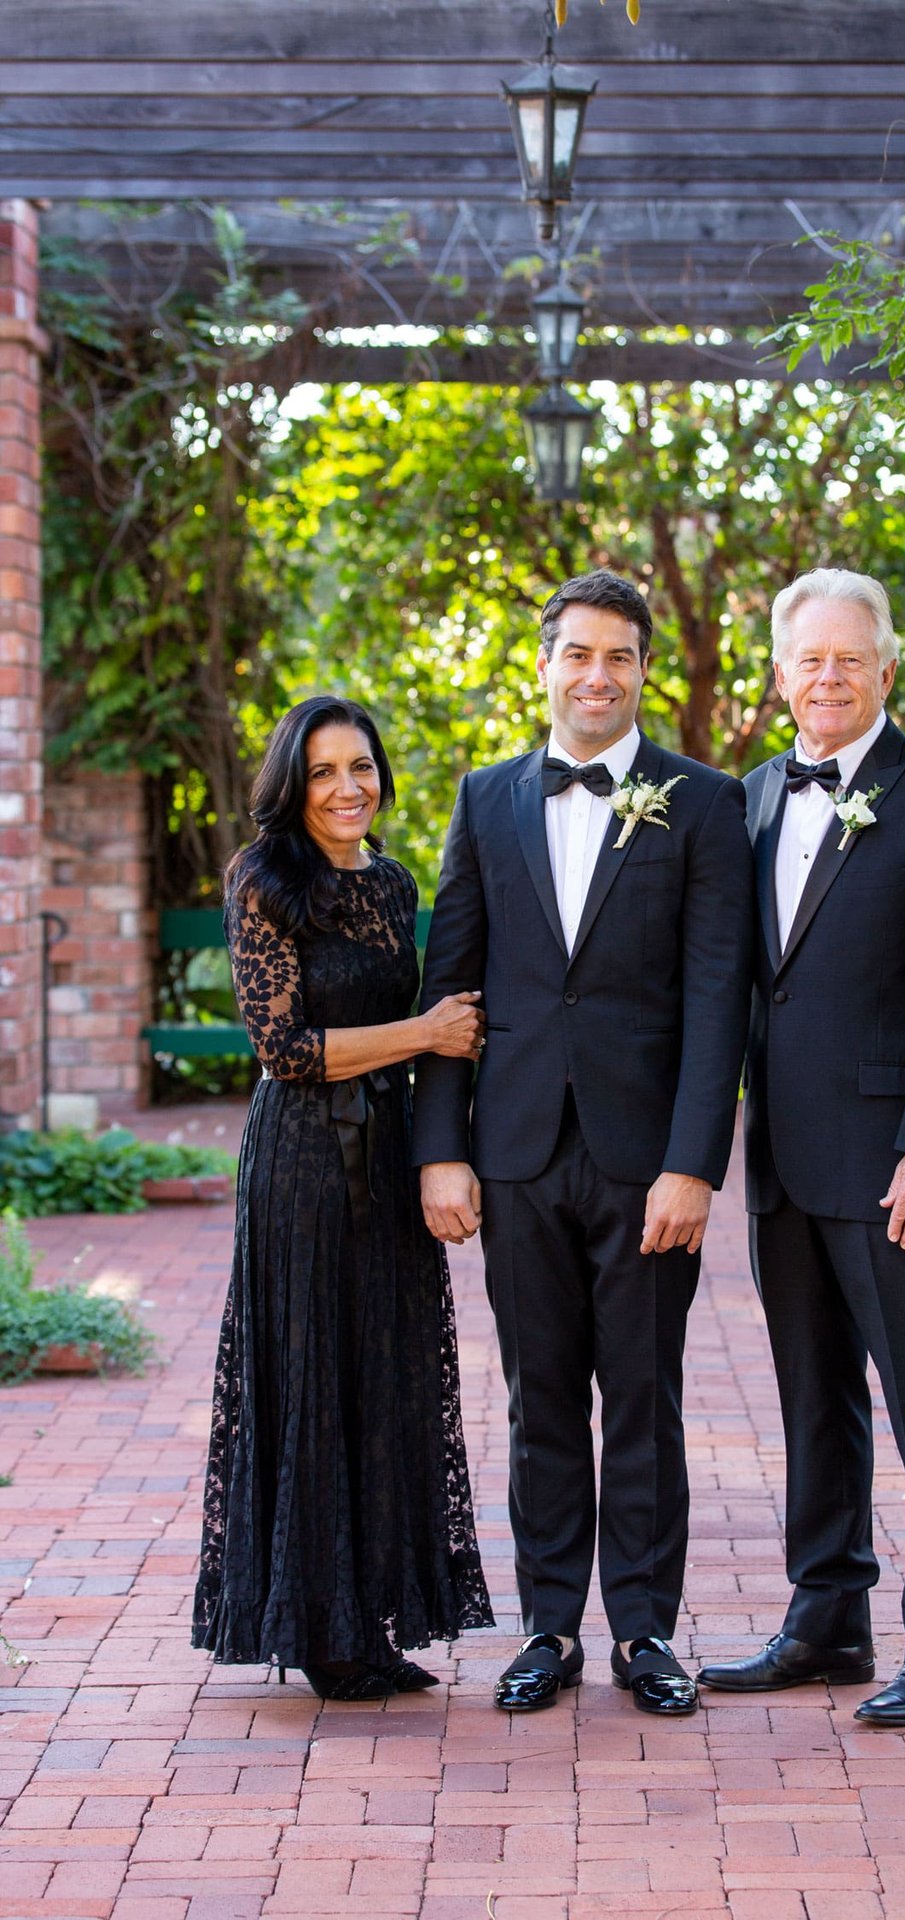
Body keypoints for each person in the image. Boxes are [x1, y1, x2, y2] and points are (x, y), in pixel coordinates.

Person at [413, 570, 753, 1717]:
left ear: (642, 670)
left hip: (647, 1159)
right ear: (544, 664)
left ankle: (644, 1630)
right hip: (513, 1153)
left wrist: (693, 1164)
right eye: (577, 654)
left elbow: (716, 996)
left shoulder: (702, 803)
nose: (595, 676)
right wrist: (440, 1147)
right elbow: (451, 985)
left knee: (644, 1398)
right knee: (539, 1397)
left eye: (617, 656)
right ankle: (547, 1628)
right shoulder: (486, 798)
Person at [697, 569, 905, 1728]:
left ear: (886, 669)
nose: (827, 677)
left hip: (896, 1167)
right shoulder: (747, 798)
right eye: (808, 659)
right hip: (784, 1163)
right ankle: (827, 1619)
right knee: (811, 1396)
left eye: (849, 658)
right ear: (779, 673)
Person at [192, 695, 493, 1701]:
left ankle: (370, 1617)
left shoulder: (393, 882)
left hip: (388, 1150)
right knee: (314, 1370)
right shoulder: (264, 878)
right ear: (293, 783)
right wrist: (423, 1035)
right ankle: (319, 1632)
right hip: (304, 1161)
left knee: (385, 1372)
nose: (345, 788)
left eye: (359, 766)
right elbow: (282, 1048)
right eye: (322, 771)